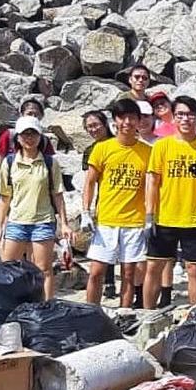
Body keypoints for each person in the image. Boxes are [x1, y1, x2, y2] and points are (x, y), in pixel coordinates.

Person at [145, 96, 196, 308]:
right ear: (173, 117)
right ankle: (147, 315)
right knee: (153, 267)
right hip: (164, 217)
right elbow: (153, 181)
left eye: (190, 114)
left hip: (194, 219)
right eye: (180, 114)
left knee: (194, 270)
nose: (185, 119)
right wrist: (149, 215)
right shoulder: (162, 146)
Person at [81, 99, 152, 309]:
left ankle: (124, 312)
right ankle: (90, 311)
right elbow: (90, 182)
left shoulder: (147, 152)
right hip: (106, 220)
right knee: (96, 271)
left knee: (129, 273)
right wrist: (86, 211)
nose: (127, 122)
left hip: (135, 221)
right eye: (123, 117)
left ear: (139, 121)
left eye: (132, 117)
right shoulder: (103, 148)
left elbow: (151, 186)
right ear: (115, 121)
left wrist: (150, 216)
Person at [0, 117, 72, 301]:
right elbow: (5, 197)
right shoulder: (9, 162)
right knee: (8, 269)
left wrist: (64, 224)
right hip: (16, 221)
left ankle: (45, 308)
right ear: (18, 138)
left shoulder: (50, 163)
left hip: (43, 221)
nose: (29, 138)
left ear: (40, 137)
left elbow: (57, 195)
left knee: (44, 269)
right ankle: (8, 307)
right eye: (25, 134)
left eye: (33, 134)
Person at [0, 98, 54, 208]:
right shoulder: (9, 135)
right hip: (9, 183)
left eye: (36, 114)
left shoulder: (44, 141)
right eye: (29, 113)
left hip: (32, 186)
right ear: (21, 114)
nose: (32, 117)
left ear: (41, 117)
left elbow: (51, 166)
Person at [81, 109, 118, 300]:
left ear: (105, 124)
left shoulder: (119, 143)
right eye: (89, 127)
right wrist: (86, 209)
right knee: (105, 246)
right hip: (103, 201)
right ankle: (109, 282)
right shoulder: (90, 150)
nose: (93, 129)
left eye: (96, 125)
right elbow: (89, 181)